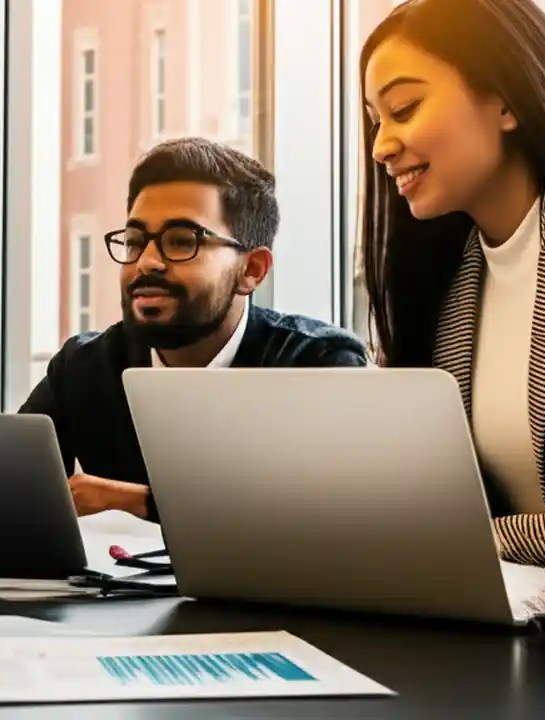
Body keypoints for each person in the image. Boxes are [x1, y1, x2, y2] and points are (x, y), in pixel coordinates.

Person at [361, 0, 545, 566]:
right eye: (374, 119)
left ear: (506, 100)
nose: (380, 145)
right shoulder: (447, 278)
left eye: (403, 108)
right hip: (512, 630)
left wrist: (484, 544)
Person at [20, 138, 368, 521]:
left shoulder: (319, 366)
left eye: (181, 241)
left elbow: (325, 520)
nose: (147, 262)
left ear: (251, 270)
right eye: (135, 241)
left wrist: (140, 503)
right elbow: (4, 488)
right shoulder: (83, 367)